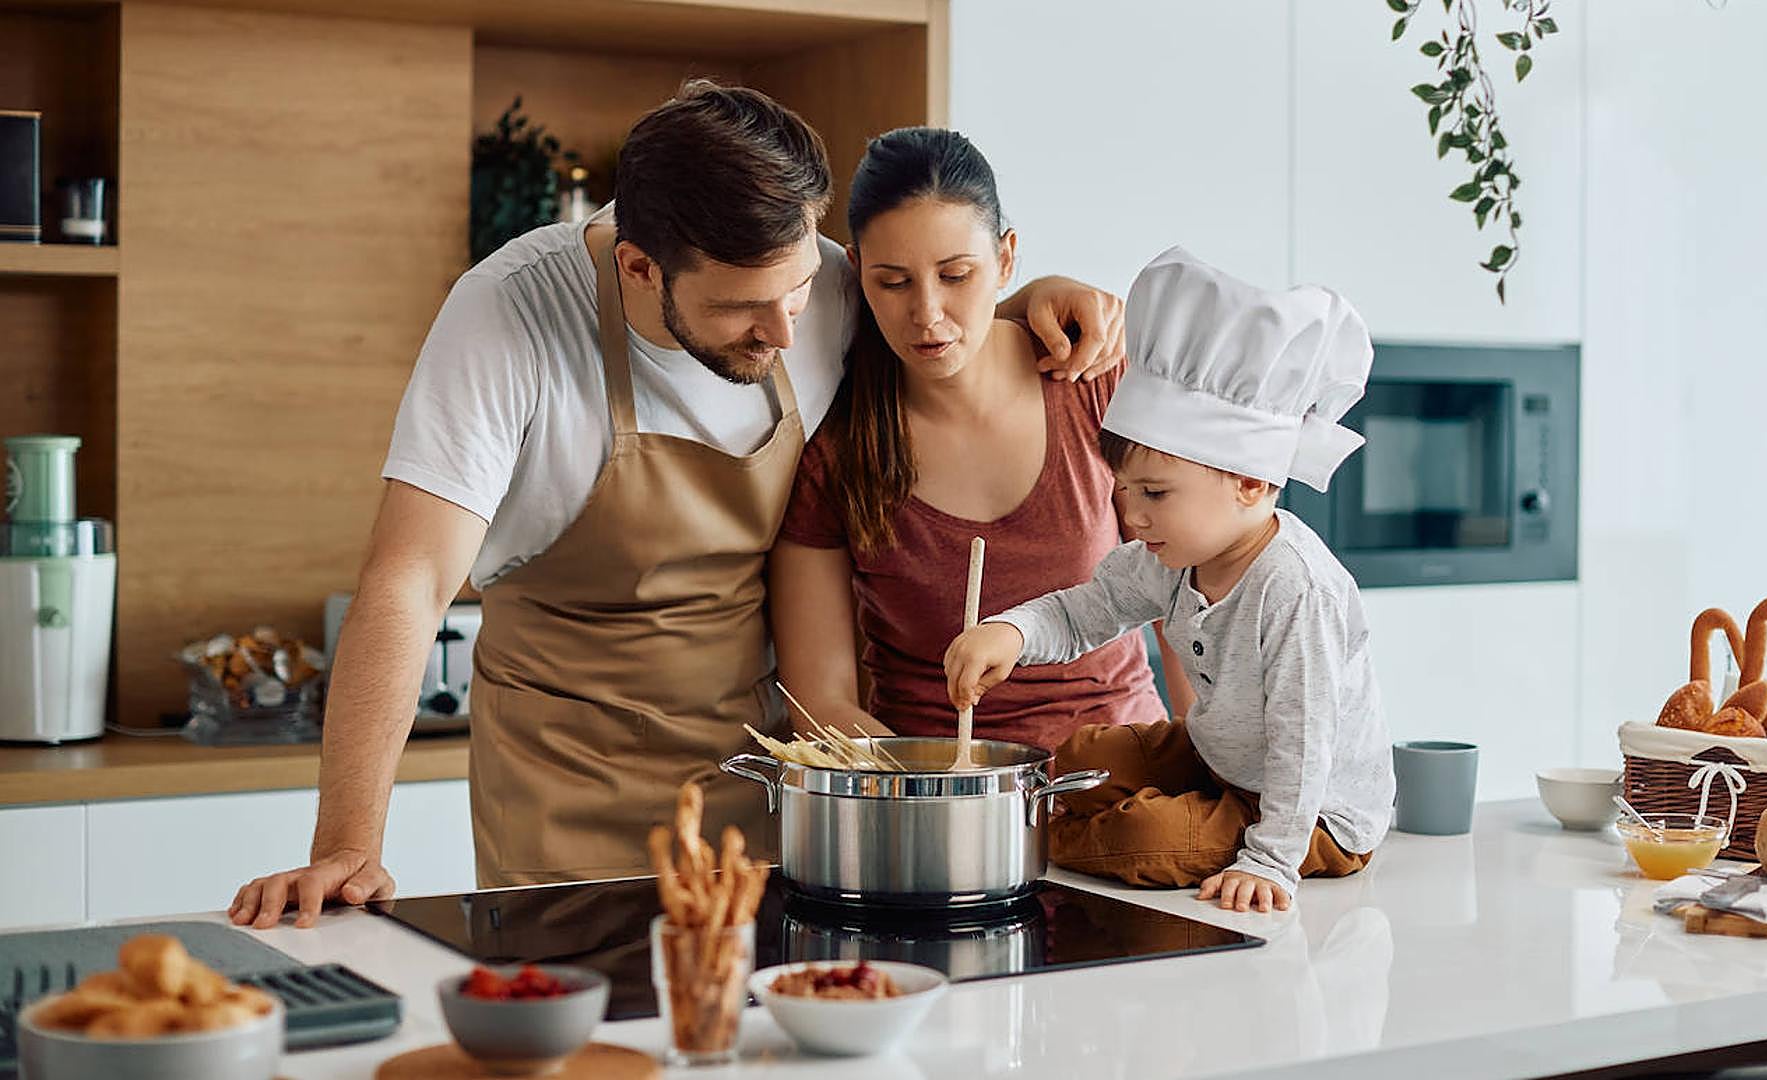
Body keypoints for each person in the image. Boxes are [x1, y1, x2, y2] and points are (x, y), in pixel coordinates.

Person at [228, 81, 1127, 928]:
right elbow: (410, 579)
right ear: (638, 267)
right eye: (743, 309)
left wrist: (1035, 299)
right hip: (565, 790)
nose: (784, 334)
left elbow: (938, 310)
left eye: (802, 290)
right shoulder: (510, 318)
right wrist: (347, 844)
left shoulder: (821, 285)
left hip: (763, 777)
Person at [943, 247, 1395, 914]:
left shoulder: (1294, 587)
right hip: (1224, 763)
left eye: (1154, 491)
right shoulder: (1173, 557)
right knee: (1077, 756)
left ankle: (1047, 838)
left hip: (1313, 813)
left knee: (1140, 837)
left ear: (1250, 481)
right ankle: (1084, 819)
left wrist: (1270, 861)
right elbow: (1085, 611)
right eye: (1124, 491)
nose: (1130, 514)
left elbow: (1306, 740)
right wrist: (1010, 632)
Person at [770, 127, 1174, 753]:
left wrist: (1213, 768)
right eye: (893, 282)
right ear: (856, 271)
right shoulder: (838, 452)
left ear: (1007, 259)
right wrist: (929, 795)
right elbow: (820, 701)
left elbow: (1188, 586)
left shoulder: (1094, 383)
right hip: (940, 793)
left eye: (956, 275)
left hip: (1123, 773)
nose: (927, 314)